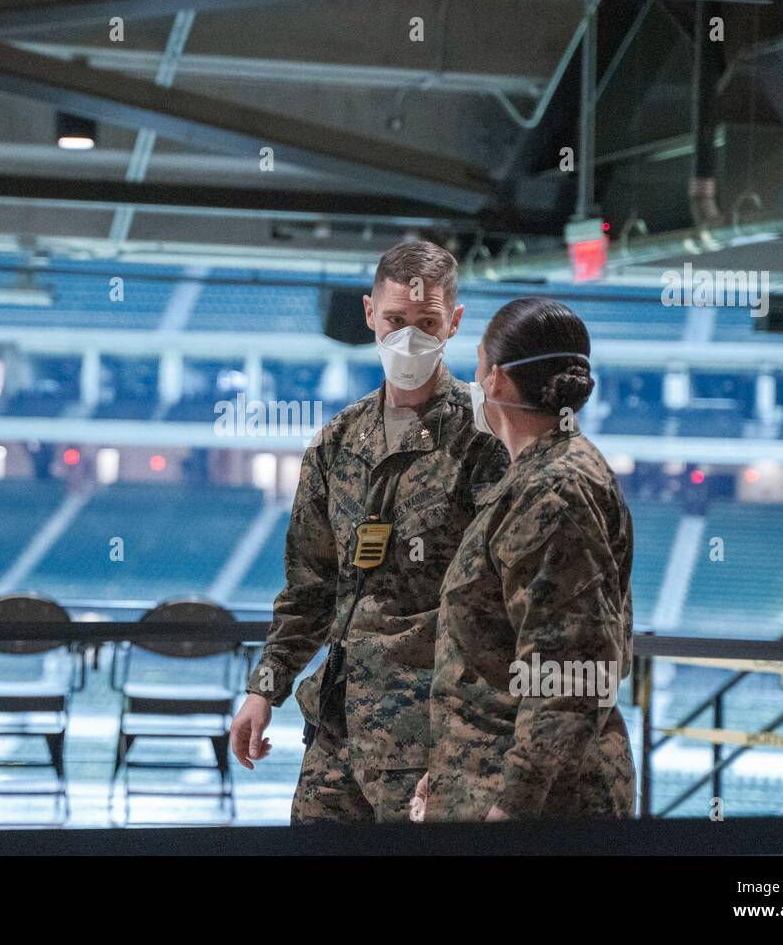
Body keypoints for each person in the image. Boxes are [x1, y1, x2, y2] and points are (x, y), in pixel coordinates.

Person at [230, 241, 508, 823]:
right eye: (396, 321)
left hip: (430, 739)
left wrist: (473, 750)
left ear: (455, 322)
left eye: (428, 323)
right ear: (368, 315)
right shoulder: (336, 442)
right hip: (335, 730)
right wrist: (265, 688)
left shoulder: (486, 443)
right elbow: (310, 587)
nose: (411, 337)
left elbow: (500, 608)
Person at [419, 297, 635, 821]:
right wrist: (447, 766)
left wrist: (511, 808)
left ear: (494, 380)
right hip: (485, 778)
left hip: (535, 803)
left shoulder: (553, 489)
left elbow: (569, 670)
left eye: (476, 366)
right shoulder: (544, 473)